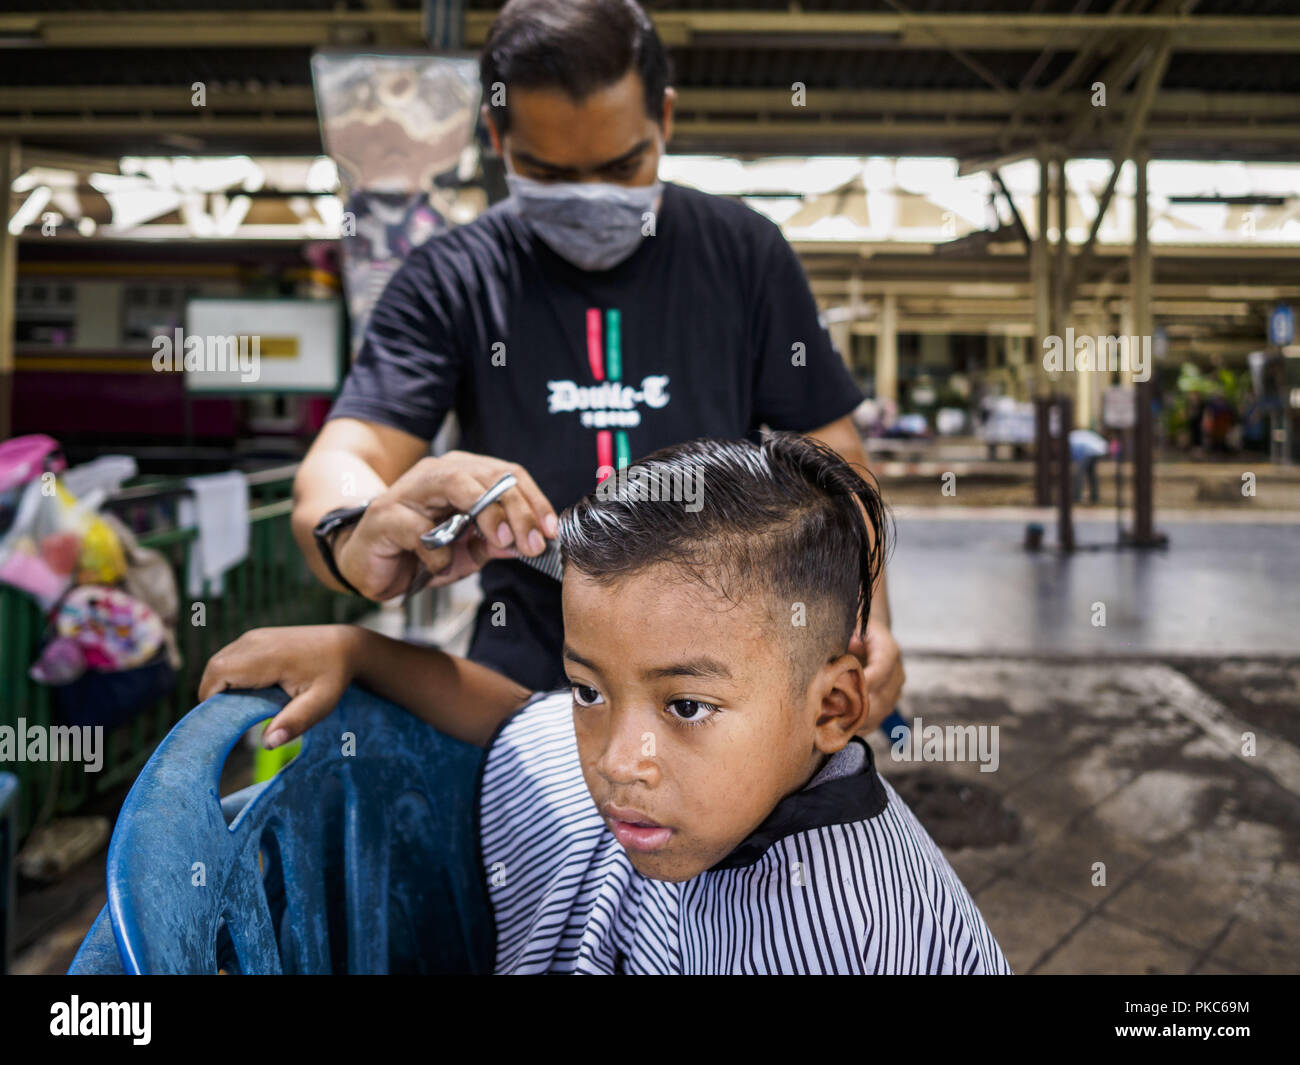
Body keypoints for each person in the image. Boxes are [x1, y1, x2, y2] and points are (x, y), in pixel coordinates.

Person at [291, 0, 904, 729]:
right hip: (523, 688)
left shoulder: (744, 256)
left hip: (725, 679)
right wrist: (358, 528)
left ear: (665, 119)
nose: (592, 197)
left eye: (622, 165)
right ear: (496, 134)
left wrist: (869, 616)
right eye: (547, 172)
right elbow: (349, 453)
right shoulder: (451, 278)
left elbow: (831, 453)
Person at [204, 433, 1009, 974]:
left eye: (687, 707)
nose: (617, 760)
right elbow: (521, 719)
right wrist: (357, 649)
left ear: (834, 707)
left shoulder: (827, 937)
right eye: (591, 687)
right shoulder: (730, 781)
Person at [1069, 427, 1108, 505]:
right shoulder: (1075, 436)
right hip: (1097, 450)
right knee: (1091, 474)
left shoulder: (1071, 438)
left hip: (1091, 451)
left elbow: (1076, 453)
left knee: (1079, 474)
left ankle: (1077, 496)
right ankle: (1094, 496)